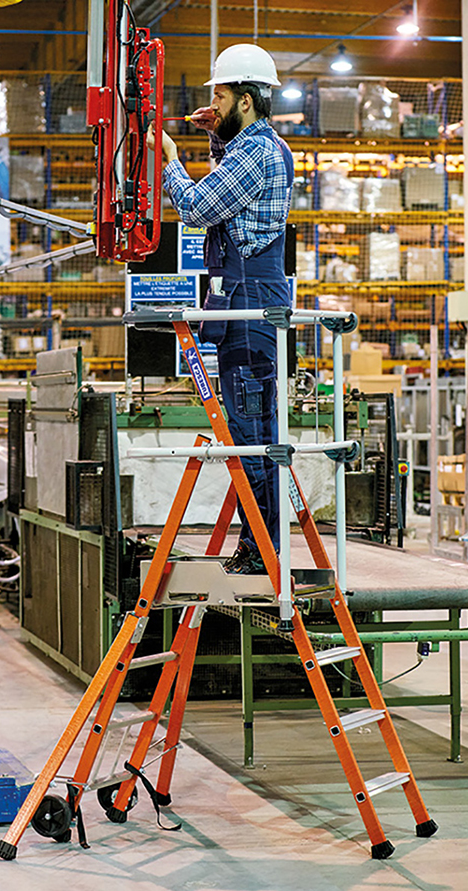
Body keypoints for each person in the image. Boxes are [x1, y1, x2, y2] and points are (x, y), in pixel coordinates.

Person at [148, 43, 294, 575]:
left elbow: (195, 207)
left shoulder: (255, 154)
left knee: (251, 433)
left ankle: (262, 552)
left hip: (251, 303)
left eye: (221, 97)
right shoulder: (253, 147)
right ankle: (260, 544)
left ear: (247, 101)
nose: (213, 104)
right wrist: (215, 132)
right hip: (246, 298)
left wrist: (170, 159)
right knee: (250, 429)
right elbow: (226, 181)